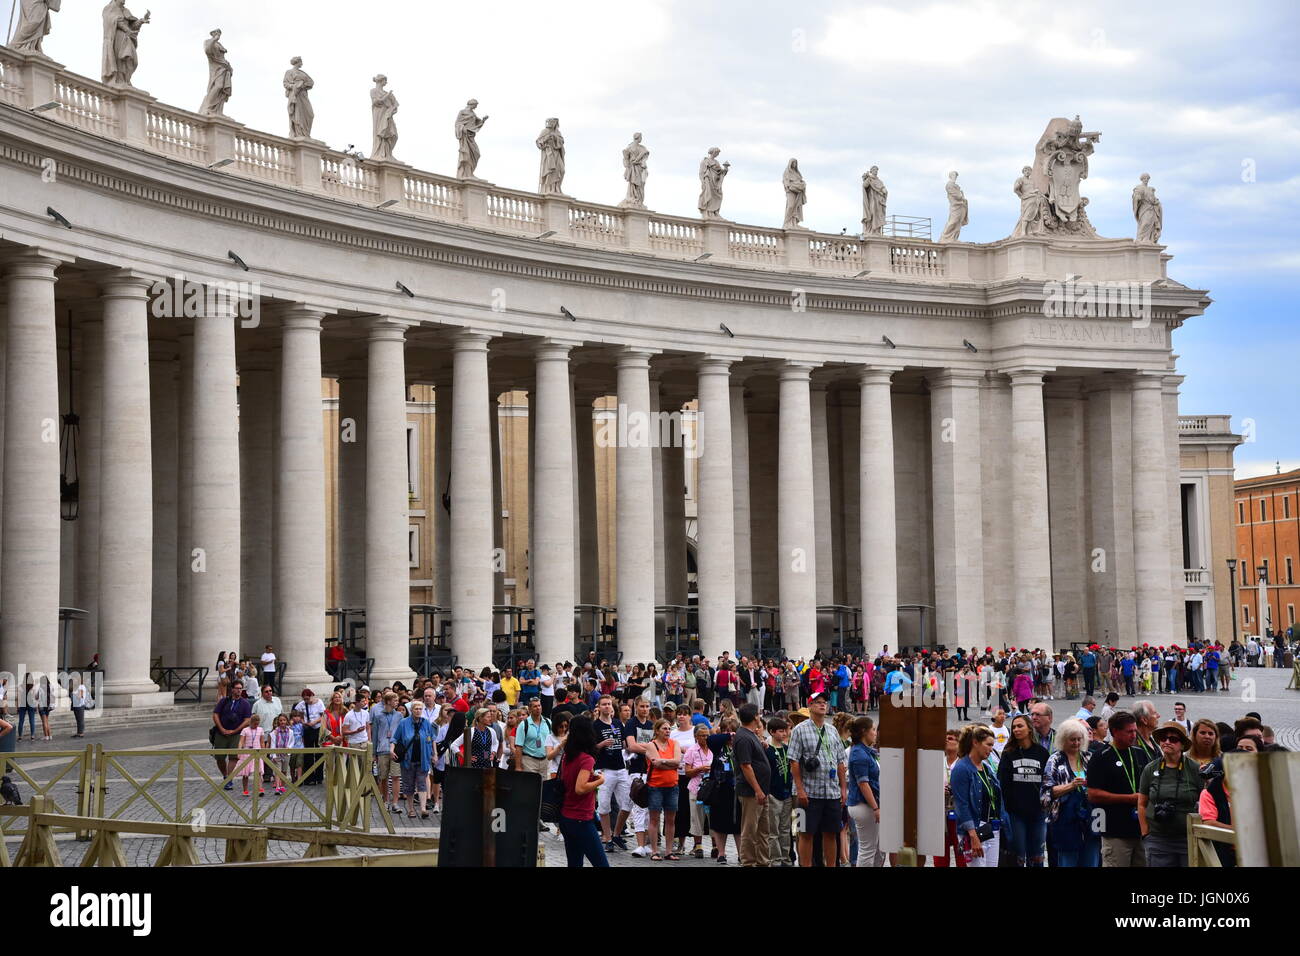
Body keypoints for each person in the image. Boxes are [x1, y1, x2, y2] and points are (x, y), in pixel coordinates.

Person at [788, 692, 847, 867]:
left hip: (831, 792)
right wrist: (799, 789)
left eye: (824, 702)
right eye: (818, 702)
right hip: (808, 793)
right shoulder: (800, 729)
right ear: (810, 705)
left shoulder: (832, 730)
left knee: (831, 833)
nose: (823, 705)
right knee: (805, 833)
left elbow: (840, 762)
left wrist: (843, 789)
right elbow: (794, 761)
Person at [1086, 709, 1149, 867]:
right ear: (1115, 731)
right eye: (1129, 731)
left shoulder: (1140, 753)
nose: (1134, 735)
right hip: (1115, 832)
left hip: (1141, 831)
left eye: (1135, 731)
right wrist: (1129, 799)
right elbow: (1093, 794)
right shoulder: (1101, 757)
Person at [1137, 721, 1203, 867]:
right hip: (1158, 839)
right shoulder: (1150, 769)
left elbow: (1205, 802)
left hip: (1188, 838)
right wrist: (1145, 833)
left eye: (1173, 739)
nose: (1167, 742)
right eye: (1163, 738)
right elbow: (1141, 804)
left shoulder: (1194, 769)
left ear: (1182, 745)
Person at [1041, 718, 1099, 867]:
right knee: (1067, 860)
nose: (1077, 743)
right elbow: (1046, 794)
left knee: (1092, 858)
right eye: (1072, 740)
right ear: (1063, 740)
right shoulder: (1055, 760)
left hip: (1092, 816)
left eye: (1079, 739)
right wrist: (1071, 786)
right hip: (1065, 818)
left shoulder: (1089, 757)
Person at [950, 724, 1008, 867]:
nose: (991, 749)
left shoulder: (987, 767)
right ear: (975, 742)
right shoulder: (962, 768)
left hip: (992, 827)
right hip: (975, 828)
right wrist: (972, 834)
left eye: (992, 745)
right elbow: (961, 805)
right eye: (988, 744)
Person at [557, 715, 610, 867]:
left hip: (566, 817)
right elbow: (580, 788)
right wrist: (600, 780)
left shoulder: (568, 756)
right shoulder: (586, 759)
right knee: (601, 863)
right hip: (581, 818)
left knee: (574, 863)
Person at [998, 714, 1048, 866]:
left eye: (1020, 726)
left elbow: (1047, 780)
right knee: (1018, 855)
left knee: (1037, 855)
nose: (1016, 729)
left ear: (1029, 729)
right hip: (1016, 814)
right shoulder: (1008, 753)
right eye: (1013, 727)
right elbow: (1002, 783)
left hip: (1038, 812)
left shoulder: (1042, 752)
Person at [733, 702, 771, 867]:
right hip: (752, 792)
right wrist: (757, 789)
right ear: (755, 716)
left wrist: (761, 741)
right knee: (749, 830)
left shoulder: (751, 734)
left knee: (763, 831)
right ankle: (748, 862)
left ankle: (763, 861)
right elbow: (745, 766)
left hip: (762, 790)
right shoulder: (743, 737)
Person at [847, 715, 883, 867]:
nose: (875, 733)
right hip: (864, 805)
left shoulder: (865, 751)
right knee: (867, 849)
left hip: (868, 804)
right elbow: (863, 784)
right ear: (864, 731)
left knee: (875, 849)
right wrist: (875, 807)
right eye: (873, 729)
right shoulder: (859, 754)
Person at [644, 718, 682, 861]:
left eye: (669, 729)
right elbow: (656, 764)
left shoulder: (674, 743)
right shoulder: (651, 745)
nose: (667, 731)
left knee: (670, 820)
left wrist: (664, 761)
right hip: (655, 786)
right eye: (664, 729)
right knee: (654, 819)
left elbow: (678, 761)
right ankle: (654, 851)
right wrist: (670, 764)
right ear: (657, 731)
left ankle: (668, 851)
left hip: (672, 786)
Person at [623, 696, 656, 857]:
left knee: (650, 809)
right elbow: (632, 745)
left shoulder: (651, 725)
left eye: (647, 706)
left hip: (651, 770)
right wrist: (650, 750)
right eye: (642, 706)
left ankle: (649, 843)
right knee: (638, 808)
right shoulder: (631, 724)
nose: (644, 709)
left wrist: (647, 748)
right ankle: (640, 844)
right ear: (636, 707)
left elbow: (657, 745)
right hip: (636, 771)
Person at [393, 700, 436, 819]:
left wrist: (434, 754)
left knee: (422, 783)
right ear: (411, 710)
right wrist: (392, 750)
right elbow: (395, 739)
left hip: (423, 758)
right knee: (409, 785)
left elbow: (432, 739)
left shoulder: (426, 723)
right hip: (408, 759)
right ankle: (411, 809)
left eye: (420, 709)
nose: (418, 711)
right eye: (416, 709)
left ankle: (423, 808)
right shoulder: (403, 723)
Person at [212, 679, 252, 789]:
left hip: (236, 734)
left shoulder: (245, 703)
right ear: (232, 689)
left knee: (234, 757)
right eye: (237, 688)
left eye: (241, 688)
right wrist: (221, 728)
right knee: (220, 757)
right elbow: (215, 715)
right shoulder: (224, 701)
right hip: (221, 733)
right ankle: (225, 775)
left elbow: (247, 720)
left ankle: (229, 779)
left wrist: (235, 730)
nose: (239, 690)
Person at [765, 716, 794, 866]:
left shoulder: (788, 749)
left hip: (787, 793)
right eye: (780, 731)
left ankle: (785, 857)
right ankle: (775, 859)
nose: (784, 734)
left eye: (785, 730)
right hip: (773, 793)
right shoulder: (768, 750)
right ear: (772, 732)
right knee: (773, 830)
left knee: (785, 829)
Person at [682, 723, 713, 859]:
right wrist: (700, 769)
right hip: (696, 787)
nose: (705, 738)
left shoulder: (713, 749)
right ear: (696, 737)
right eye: (702, 735)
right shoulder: (691, 751)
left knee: (713, 817)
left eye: (707, 735)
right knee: (697, 817)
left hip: (711, 789)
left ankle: (716, 845)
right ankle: (698, 846)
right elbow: (687, 772)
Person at [371, 691, 402, 812]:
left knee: (396, 776)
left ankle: (395, 803)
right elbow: (374, 735)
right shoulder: (378, 716)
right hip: (382, 749)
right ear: (388, 701)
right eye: (395, 700)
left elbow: (401, 733)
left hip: (395, 750)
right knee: (383, 777)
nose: (397, 702)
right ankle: (385, 800)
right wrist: (374, 753)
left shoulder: (399, 715)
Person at [513, 696, 551, 778]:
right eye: (535, 706)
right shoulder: (523, 725)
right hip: (529, 761)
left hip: (545, 761)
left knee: (544, 787)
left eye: (539, 705)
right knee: (531, 787)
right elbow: (519, 747)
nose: (538, 708)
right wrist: (518, 767)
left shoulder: (548, 722)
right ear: (530, 709)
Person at [236, 714, 267, 796]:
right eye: (255, 724)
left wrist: (263, 752)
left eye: (258, 723)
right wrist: (239, 751)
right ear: (251, 722)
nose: (256, 725)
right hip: (247, 752)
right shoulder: (245, 730)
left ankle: (260, 789)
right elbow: (241, 741)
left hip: (257, 752)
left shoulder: (260, 730)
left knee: (259, 771)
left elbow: (262, 742)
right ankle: (245, 790)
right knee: (245, 773)